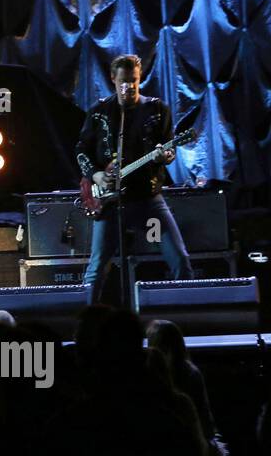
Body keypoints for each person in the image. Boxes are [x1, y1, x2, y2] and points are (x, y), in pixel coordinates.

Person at [76, 55, 191, 306]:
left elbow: (168, 152)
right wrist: (96, 175)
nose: (129, 87)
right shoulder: (99, 112)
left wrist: (166, 156)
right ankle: (85, 324)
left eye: (134, 81)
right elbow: (81, 150)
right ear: (113, 80)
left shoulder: (157, 110)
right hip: (110, 203)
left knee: (179, 259)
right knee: (96, 268)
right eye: (124, 82)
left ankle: (184, 318)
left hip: (147, 201)